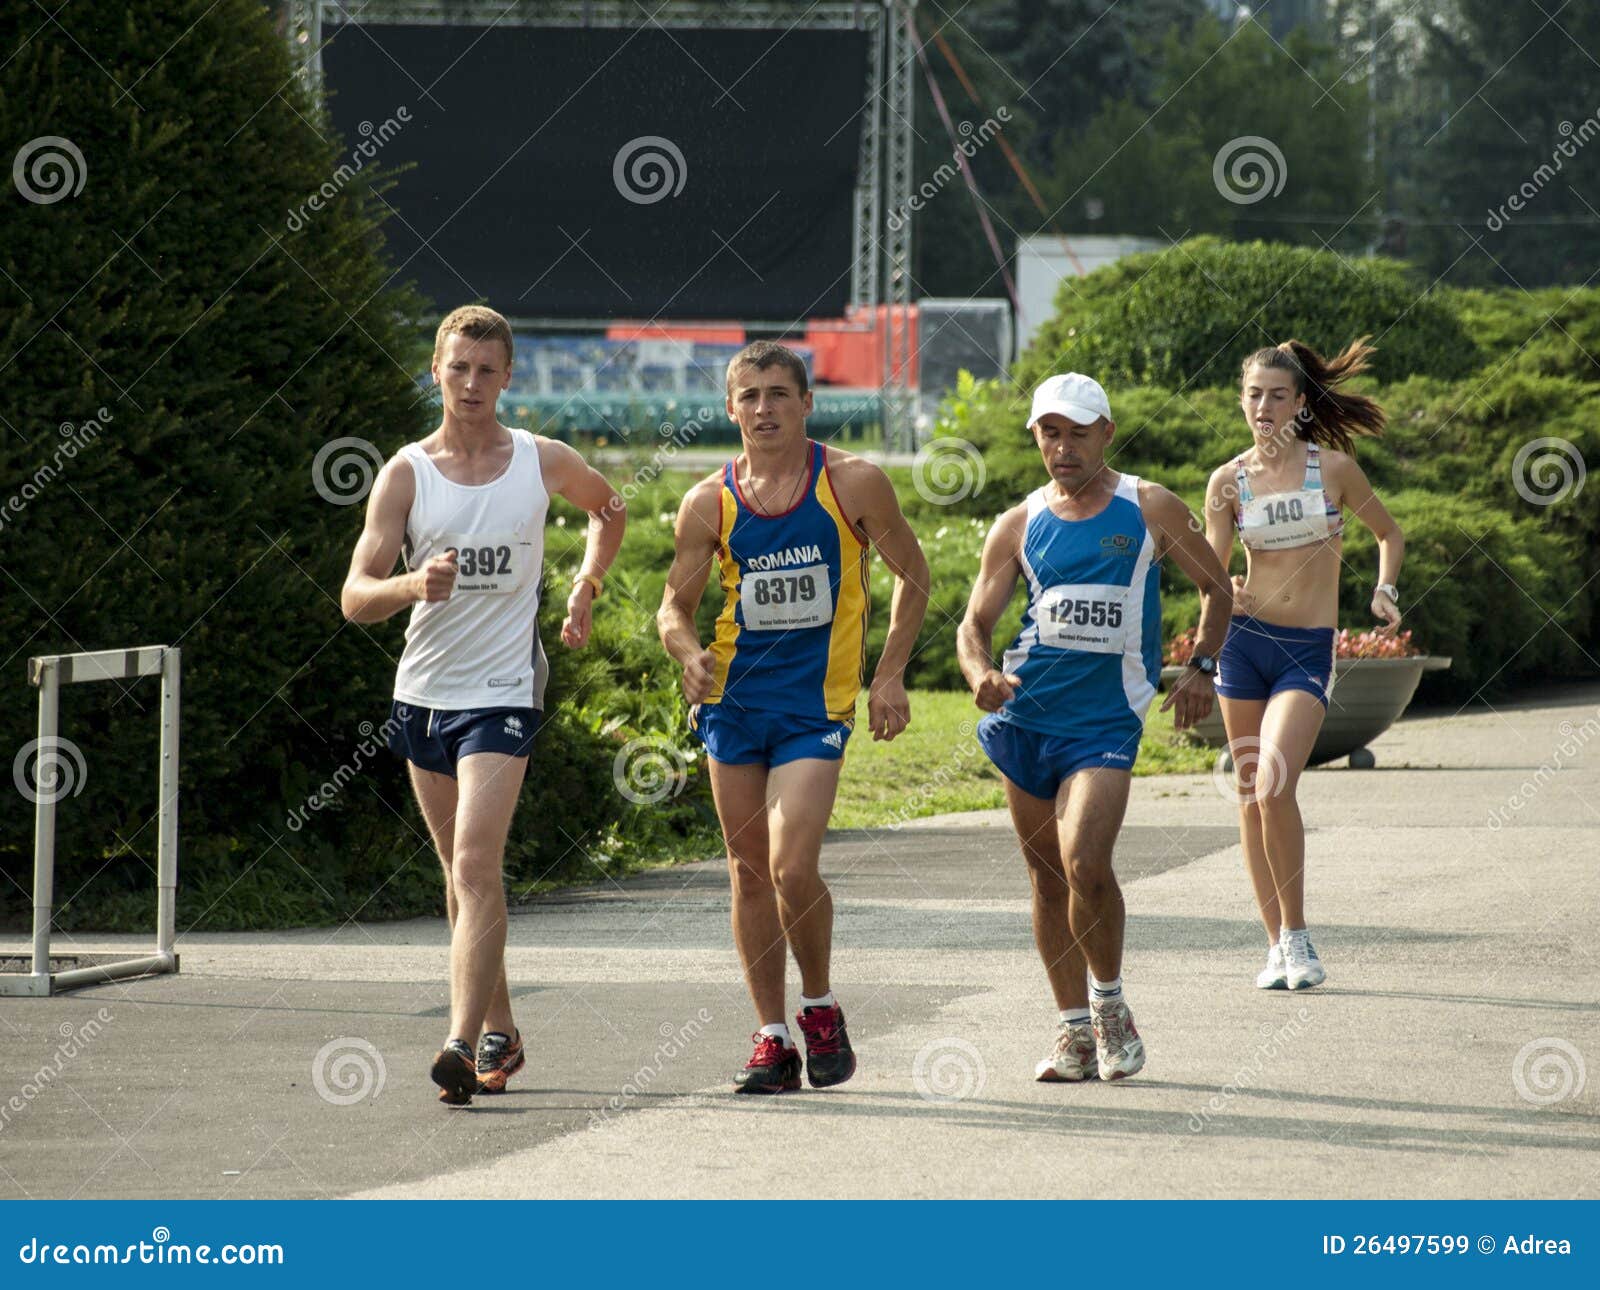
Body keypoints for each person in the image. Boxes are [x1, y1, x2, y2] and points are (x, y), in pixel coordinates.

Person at [341, 305, 626, 1105]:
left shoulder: (540, 460)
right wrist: (411, 583)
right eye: (458, 367)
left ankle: (459, 1045)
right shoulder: (406, 473)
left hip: (502, 694)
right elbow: (355, 597)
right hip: (423, 695)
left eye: (487, 370)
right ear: (436, 370)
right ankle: (502, 1029)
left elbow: (609, 509)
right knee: (461, 878)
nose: (471, 383)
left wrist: (586, 584)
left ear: (507, 378)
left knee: (473, 865)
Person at [657, 341, 929, 1094]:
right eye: (749, 396)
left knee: (790, 866)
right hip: (733, 704)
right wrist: (687, 652)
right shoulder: (708, 501)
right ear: (730, 408)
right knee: (748, 872)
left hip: (816, 706)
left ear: (807, 403)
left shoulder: (852, 482)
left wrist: (890, 673)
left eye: (779, 393)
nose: (764, 408)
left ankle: (819, 1005)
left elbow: (914, 575)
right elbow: (674, 606)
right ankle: (772, 1039)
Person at [958, 373, 1232, 1082]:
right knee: (1048, 880)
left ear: (1106, 433)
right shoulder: (1018, 523)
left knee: (1084, 862)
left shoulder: (1150, 506)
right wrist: (979, 673)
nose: (1063, 447)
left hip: (1106, 720)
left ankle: (1110, 1008)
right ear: (1036, 437)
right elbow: (974, 624)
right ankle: (1073, 1030)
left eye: (1078, 433)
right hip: (1027, 716)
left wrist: (1202, 667)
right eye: (1050, 433)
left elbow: (1216, 587)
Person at [1203, 338, 1403, 992]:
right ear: (1241, 401)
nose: (1263, 406)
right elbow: (1212, 572)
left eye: (1277, 395)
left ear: (1301, 404)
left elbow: (1389, 533)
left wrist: (1384, 588)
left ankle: (1297, 935)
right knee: (1249, 790)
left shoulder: (1334, 471)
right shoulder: (1226, 482)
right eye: (1253, 395)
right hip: (1244, 644)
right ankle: (1273, 947)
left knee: (1274, 783)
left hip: (1305, 648)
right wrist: (1223, 589)